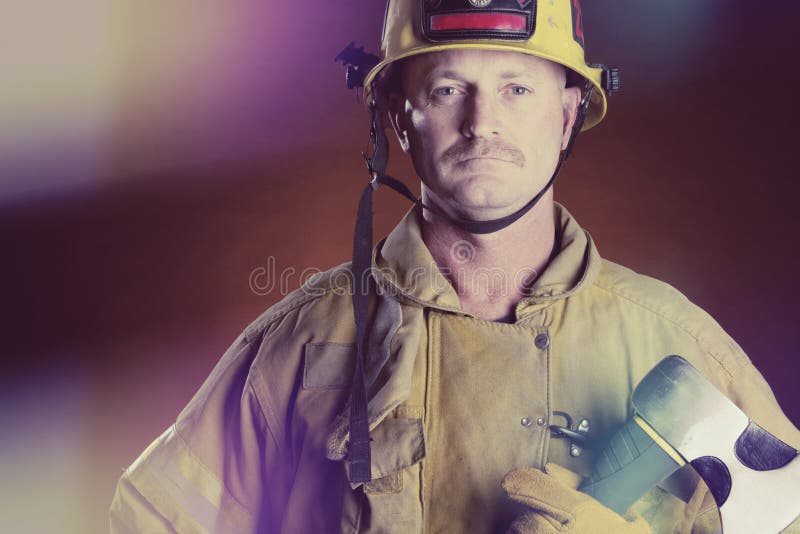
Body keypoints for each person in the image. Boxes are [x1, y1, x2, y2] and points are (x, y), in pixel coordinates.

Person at [110, 1, 800, 532]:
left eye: (516, 89)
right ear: (396, 117)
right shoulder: (299, 349)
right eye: (447, 89)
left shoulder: (676, 343)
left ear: (567, 115)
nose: (482, 122)